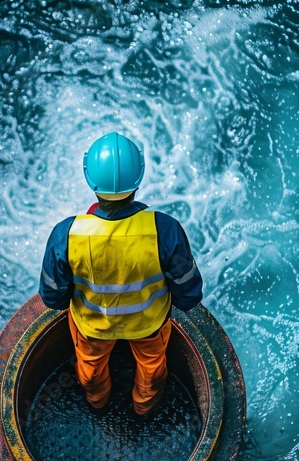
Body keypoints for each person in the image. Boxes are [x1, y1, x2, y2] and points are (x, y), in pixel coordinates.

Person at [39, 132, 204, 417]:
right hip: (148, 325)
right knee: (152, 373)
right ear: (138, 179)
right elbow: (189, 295)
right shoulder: (165, 230)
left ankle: (98, 405)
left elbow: (52, 297)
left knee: (90, 373)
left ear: (90, 180)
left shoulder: (66, 234)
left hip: (93, 327)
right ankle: (144, 410)